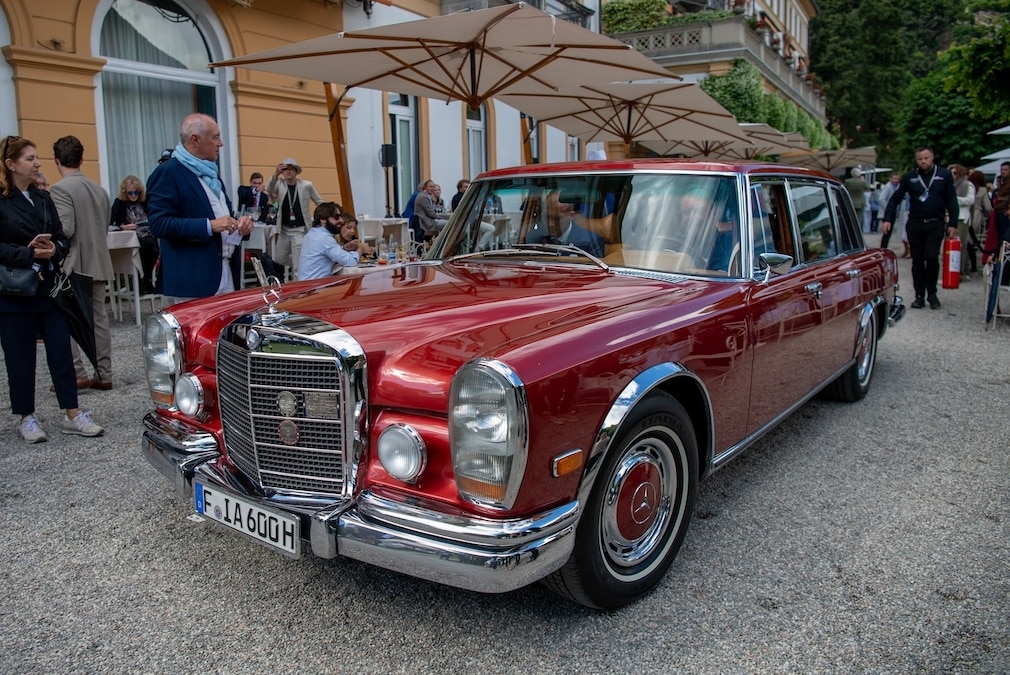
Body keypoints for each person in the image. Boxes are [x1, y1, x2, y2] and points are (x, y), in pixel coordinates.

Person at [0, 135, 103, 442]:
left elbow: (61, 237)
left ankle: (72, 413)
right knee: (19, 357)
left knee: (61, 350)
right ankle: (26, 417)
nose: (37, 163)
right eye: (30, 158)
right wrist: (28, 252)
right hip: (14, 292)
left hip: (49, 288)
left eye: (36, 157)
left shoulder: (43, 197)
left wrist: (52, 249)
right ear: (10, 164)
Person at [147, 113, 253, 302]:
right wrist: (209, 226)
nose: (220, 143)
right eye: (215, 137)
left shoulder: (210, 172)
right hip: (192, 281)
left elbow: (219, 215)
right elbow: (158, 224)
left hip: (225, 273)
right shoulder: (168, 172)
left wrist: (240, 225)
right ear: (195, 139)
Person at [50, 135, 114, 391]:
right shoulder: (100, 189)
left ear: (57, 160)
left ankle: (78, 372)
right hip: (99, 259)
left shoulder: (60, 189)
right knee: (99, 319)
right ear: (82, 159)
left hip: (74, 264)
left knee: (67, 319)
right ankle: (105, 372)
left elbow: (65, 229)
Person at [881, 146, 958, 310]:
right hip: (915, 223)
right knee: (917, 260)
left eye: (926, 158)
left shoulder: (943, 175)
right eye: (920, 159)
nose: (923, 162)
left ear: (932, 157)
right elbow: (895, 199)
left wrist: (953, 223)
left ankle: (932, 292)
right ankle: (919, 295)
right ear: (916, 160)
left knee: (931, 257)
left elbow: (952, 200)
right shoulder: (910, 177)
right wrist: (887, 219)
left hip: (935, 223)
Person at [266, 157, 323, 279]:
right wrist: (275, 174)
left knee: (298, 268)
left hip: (299, 229)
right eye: (285, 169)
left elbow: (319, 201)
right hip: (284, 229)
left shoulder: (306, 185)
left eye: (292, 169)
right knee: (279, 258)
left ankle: (299, 288)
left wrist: (323, 218)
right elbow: (269, 189)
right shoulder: (280, 184)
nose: (288, 171)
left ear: (296, 171)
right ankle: (308, 262)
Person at [110, 175, 160, 295]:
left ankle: (145, 278)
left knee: (153, 247)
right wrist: (123, 226)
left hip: (145, 232)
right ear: (125, 192)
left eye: (136, 193)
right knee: (146, 246)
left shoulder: (144, 202)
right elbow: (110, 223)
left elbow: (154, 217)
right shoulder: (119, 203)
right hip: (129, 237)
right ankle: (141, 280)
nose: (133, 195)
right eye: (130, 193)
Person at [298, 203, 373, 280]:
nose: (341, 220)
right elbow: (350, 260)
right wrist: (360, 248)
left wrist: (344, 248)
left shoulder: (312, 234)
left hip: (305, 284)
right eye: (336, 217)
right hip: (316, 288)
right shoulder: (324, 238)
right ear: (323, 220)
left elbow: (326, 252)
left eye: (340, 216)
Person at [524, 189, 605, 257]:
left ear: (571, 216)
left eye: (557, 219)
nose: (550, 224)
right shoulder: (533, 238)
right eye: (547, 217)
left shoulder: (590, 241)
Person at [949, 164, 976, 280]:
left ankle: (961, 271)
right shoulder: (949, 185)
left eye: (955, 173)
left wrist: (954, 199)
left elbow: (971, 200)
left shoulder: (967, 184)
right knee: (951, 245)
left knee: (960, 245)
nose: (952, 175)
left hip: (961, 217)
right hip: (950, 217)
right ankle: (953, 271)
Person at [879, 172, 909, 258]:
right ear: (890, 179)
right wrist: (888, 209)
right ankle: (883, 249)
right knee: (886, 233)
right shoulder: (888, 187)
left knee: (888, 233)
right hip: (887, 212)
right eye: (894, 178)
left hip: (892, 212)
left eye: (897, 179)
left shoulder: (897, 187)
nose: (896, 180)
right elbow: (881, 199)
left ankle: (884, 249)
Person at [968, 169, 991, 273]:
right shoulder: (983, 190)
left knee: (965, 241)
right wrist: (986, 216)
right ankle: (973, 266)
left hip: (964, 214)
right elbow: (988, 207)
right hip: (976, 216)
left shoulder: (967, 187)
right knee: (972, 241)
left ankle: (965, 265)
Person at [844, 167, 868, 233]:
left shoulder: (847, 181)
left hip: (851, 201)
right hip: (860, 202)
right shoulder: (862, 182)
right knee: (859, 218)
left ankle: (850, 230)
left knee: (850, 217)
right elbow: (867, 188)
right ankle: (858, 231)